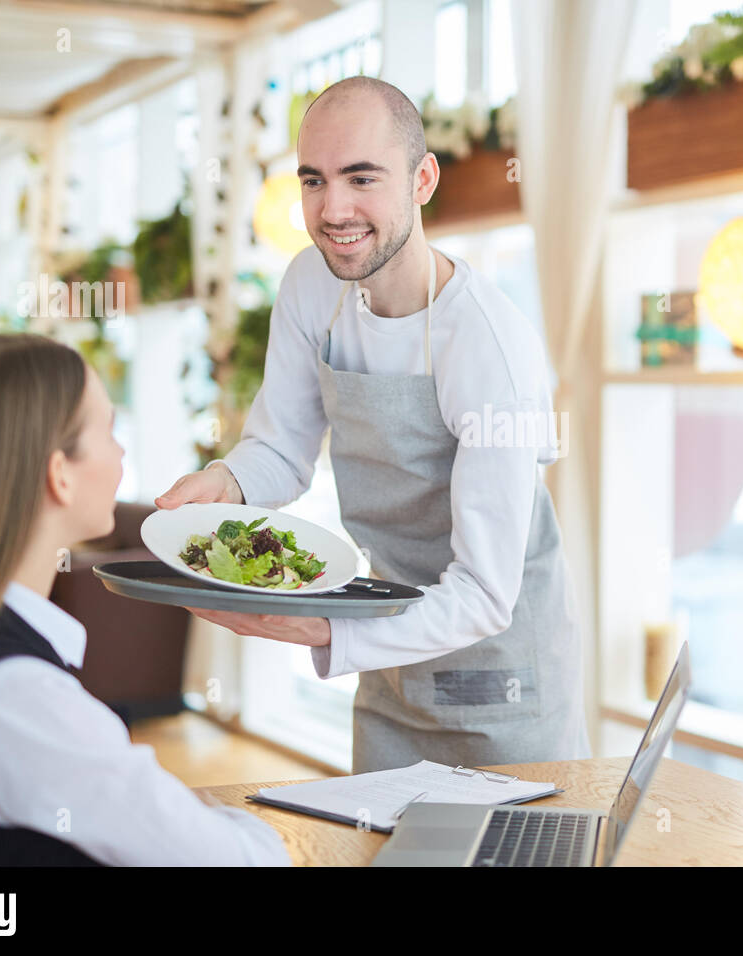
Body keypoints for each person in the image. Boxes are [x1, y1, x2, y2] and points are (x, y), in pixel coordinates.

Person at [156, 76, 591, 774]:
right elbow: (280, 449)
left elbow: (483, 596)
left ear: (422, 179)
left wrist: (326, 628)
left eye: (362, 178)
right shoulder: (309, 285)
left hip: (496, 666)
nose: (333, 209)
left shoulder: (486, 345)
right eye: (313, 180)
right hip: (383, 645)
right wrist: (223, 483)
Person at [0, 334, 289, 866]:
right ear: (58, 474)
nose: (122, 450)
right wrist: (227, 820)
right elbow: (240, 861)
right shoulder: (19, 698)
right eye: (108, 430)